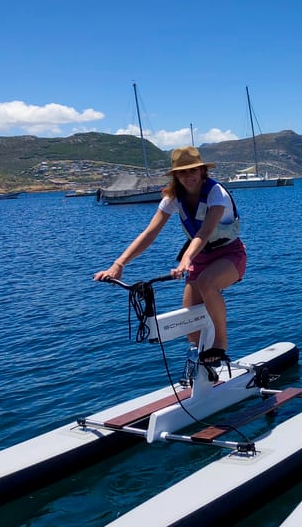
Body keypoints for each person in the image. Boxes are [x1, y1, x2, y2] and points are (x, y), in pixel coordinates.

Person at [94, 146, 247, 366]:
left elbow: (204, 232)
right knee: (190, 322)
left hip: (230, 254)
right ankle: (206, 370)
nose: (188, 176)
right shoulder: (173, 198)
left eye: (193, 170)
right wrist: (119, 264)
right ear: (176, 175)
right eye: (182, 172)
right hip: (200, 258)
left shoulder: (216, 193)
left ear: (202, 171)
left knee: (207, 283)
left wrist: (186, 260)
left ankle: (220, 342)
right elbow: (149, 233)